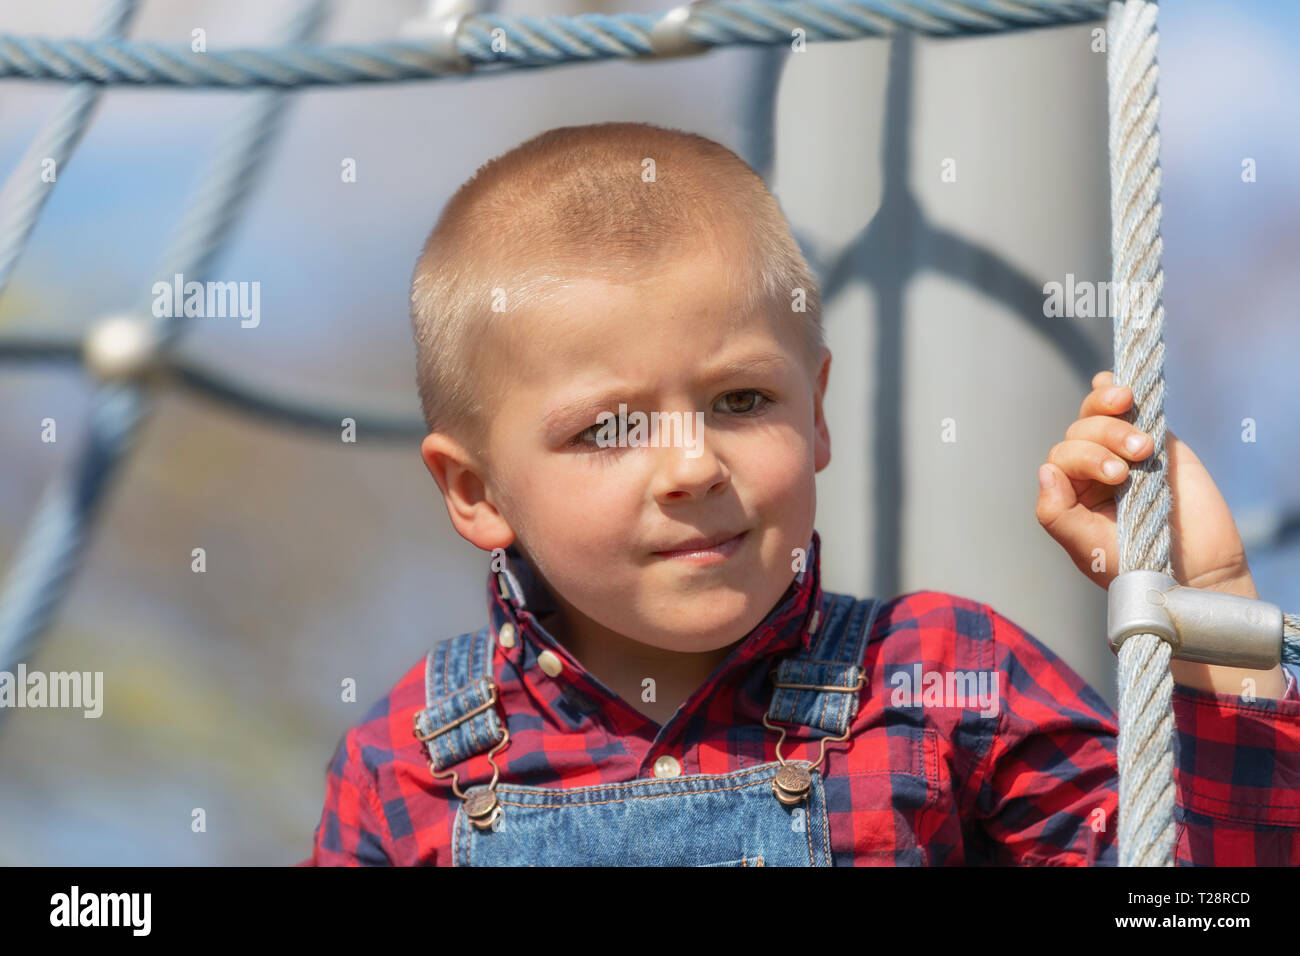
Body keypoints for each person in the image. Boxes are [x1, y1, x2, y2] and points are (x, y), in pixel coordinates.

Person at [307, 121, 1300, 866]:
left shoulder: (940, 681)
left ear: (816, 412)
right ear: (476, 489)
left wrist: (1205, 598)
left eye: (741, 399)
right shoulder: (407, 761)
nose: (692, 465)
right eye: (609, 427)